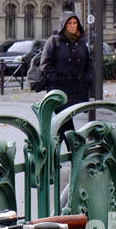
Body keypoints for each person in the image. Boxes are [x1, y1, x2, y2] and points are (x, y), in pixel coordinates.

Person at [39, 11, 94, 141]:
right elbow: (45, 65)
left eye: (75, 23)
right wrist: (56, 79)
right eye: (69, 23)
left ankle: (50, 154)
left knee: (62, 125)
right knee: (66, 122)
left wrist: (88, 78)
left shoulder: (81, 42)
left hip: (77, 90)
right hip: (59, 91)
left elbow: (89, 63)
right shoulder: (54, 41)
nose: (73, 26)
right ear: (64, 25)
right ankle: (75, 153)